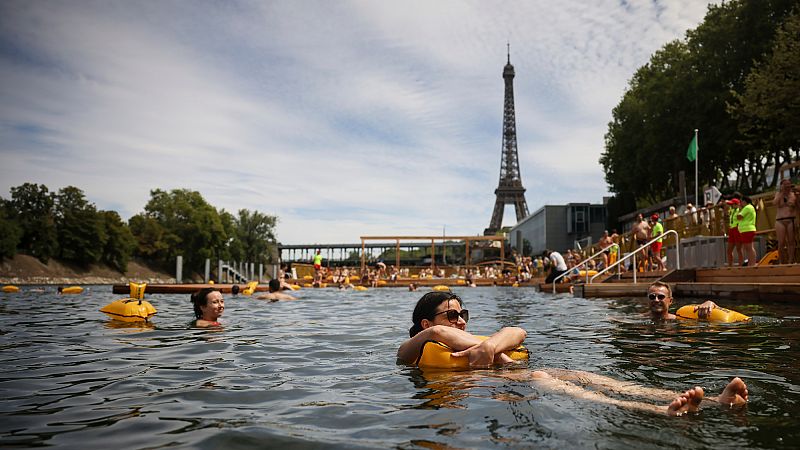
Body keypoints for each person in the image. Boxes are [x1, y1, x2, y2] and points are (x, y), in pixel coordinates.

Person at [400, 291, 748, 416]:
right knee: (540, 376)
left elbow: (518, 331)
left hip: (502, 380)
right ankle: (656, 409)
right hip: (498, 388)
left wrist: (490, 346)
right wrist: (488, 348)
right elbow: (435, 333)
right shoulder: (414, 349)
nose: (460, 320)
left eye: (464, 314)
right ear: (428, 320)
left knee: (586, 375)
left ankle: (714, 401)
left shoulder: (476, 339)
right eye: (453, 314)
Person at [647, 281, 719, 321]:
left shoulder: (679, 319)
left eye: (661, 297)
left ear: (670, 301)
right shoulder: (640, 318)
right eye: (652, 297)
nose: (656, 300)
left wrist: (710, 303)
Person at [774, 179, 797, 264]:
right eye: (785, 185)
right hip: (780, 220)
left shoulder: (794, 194)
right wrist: (782, 193)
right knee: (781, 242)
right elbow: (775, 203)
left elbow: (797, 206)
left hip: (791, 219)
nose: (787, 186)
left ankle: (791, 260)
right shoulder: (778, 194)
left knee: (791, 241)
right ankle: (782, 261)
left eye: (788, 184)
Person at [737, 196, 758, 266]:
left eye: (741, 202)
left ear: (744, 201)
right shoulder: (750, 207)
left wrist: (739, 209)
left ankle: (752, 263)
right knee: (748, 247)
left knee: (749, 247)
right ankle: (751, 262)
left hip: (747, 229)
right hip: (746, 230)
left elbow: (739, 217)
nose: (740, 203)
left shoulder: (747, 207)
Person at [724, 196, 743, 267]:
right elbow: (726, 210)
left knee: (739, 248)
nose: (731, 206)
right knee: (729, 250)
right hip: (731, 229)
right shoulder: (732, 211)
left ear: (736, 204)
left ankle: (740, 264)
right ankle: (730, 265)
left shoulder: (739, 210)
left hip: (737, 229)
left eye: (733, 204)